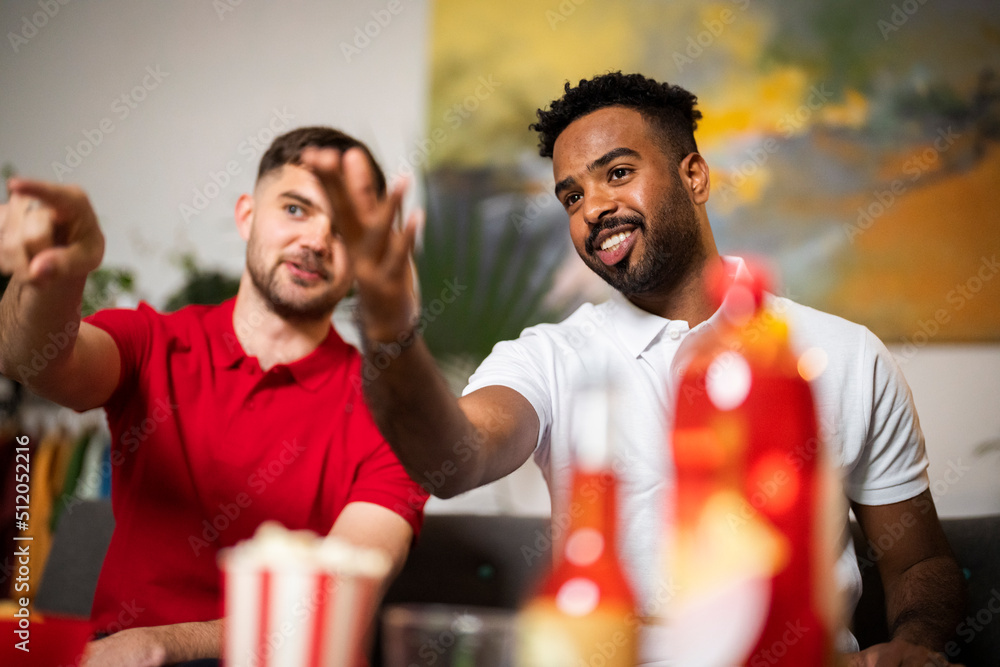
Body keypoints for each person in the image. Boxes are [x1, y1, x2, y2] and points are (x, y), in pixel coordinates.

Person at [306, 73, 966, 666]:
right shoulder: (549, 357)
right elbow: (451, 460)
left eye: (617, 173)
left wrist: (917, 645)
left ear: (695, 176)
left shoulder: (846, 354)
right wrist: (389, 330)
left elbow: (920, 561)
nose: (592, 208)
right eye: (571, 196)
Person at [0, 126, 429, 665]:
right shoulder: (154, 342)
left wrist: (163, 643)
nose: (318, 241)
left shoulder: (394, 414)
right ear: (247, 215)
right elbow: (31, 362)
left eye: (344, 228)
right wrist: (53, 275)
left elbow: (337, 597)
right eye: (296, 209)